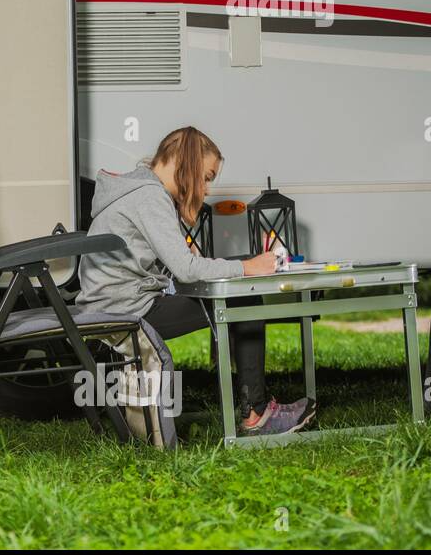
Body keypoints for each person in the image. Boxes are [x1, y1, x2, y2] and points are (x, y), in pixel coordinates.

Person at [77, 126, 316, 435]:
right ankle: (256, 414)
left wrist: (231, 265)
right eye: (207, 177)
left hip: (111, 303)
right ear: (187, 163)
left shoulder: (137, 189)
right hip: (124, 310)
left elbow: (167, 266)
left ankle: (250, 406)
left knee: (236, 281)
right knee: (245, 296)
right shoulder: (149, 196)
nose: (207, 189)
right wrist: (248, 268)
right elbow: (187, 270)